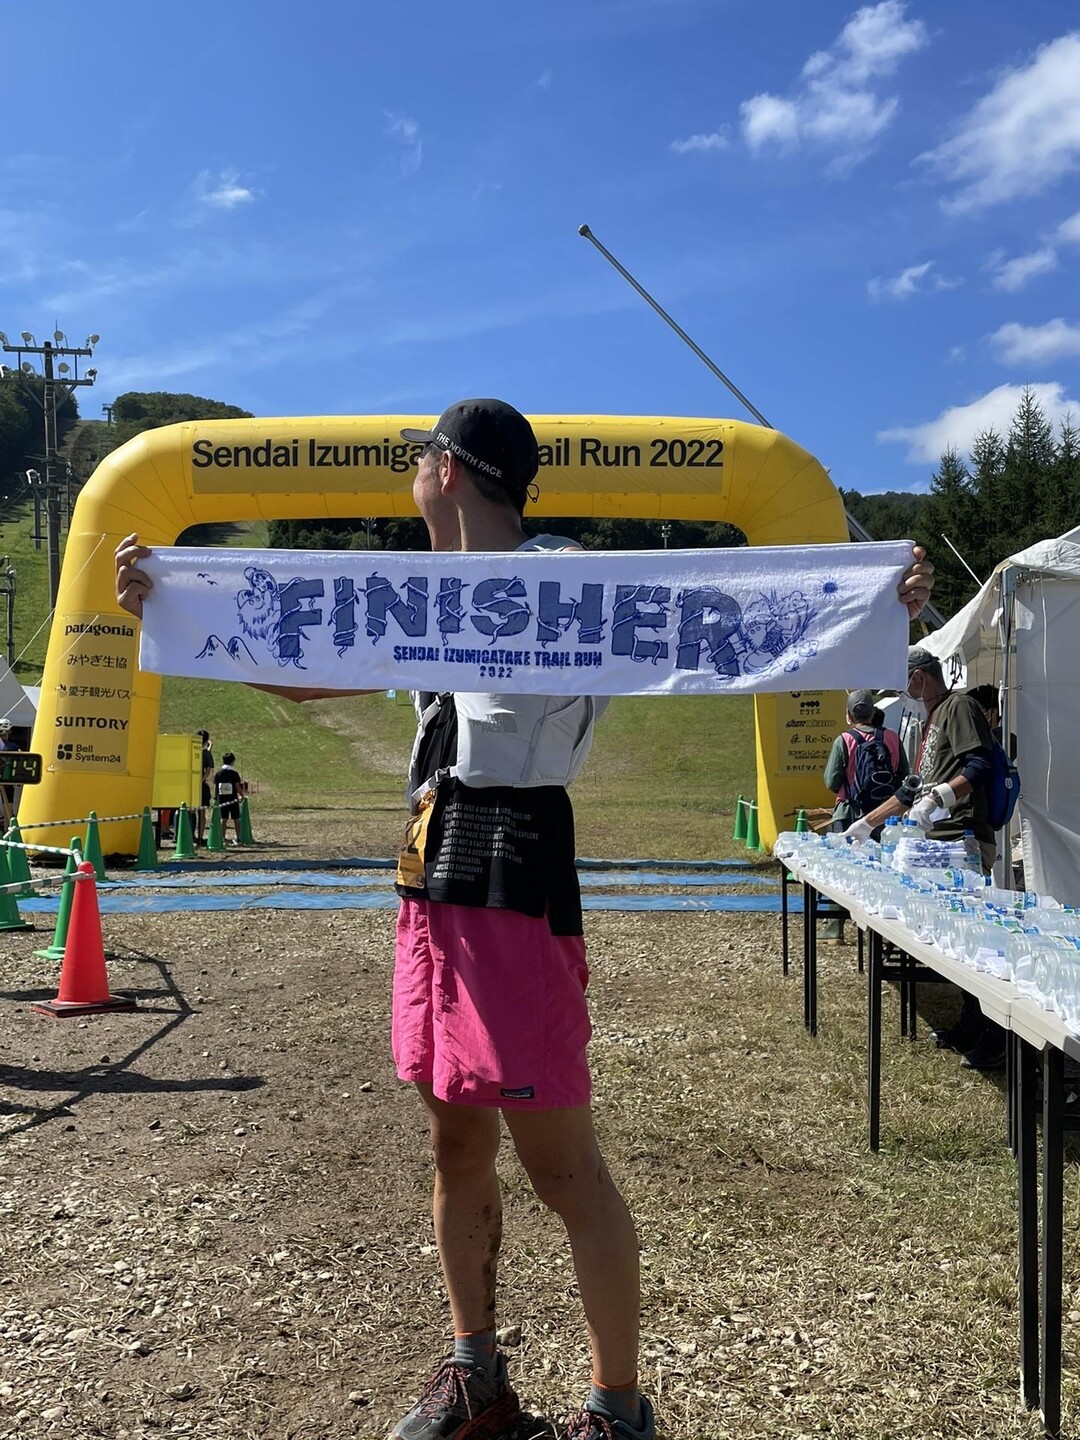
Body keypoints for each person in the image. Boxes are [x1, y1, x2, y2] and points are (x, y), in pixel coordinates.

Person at [116, 400, 935, 1440]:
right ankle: (478, 1379)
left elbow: (738, 622)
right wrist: (171, 611)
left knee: (562, 1164)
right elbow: (312, 673)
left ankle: (618, 1409)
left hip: (513, 859)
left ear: (450, 473)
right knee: (454, 1142)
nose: (410, 478)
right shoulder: (426, 598)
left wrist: (882, 596)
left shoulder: (563, 577)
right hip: (429, 868)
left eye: (420, 461)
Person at [850, 648, 1004, 1070]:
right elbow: (913, 787)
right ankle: (971, 1020)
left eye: (904, 683)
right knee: (955, 940)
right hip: (935, 846)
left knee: (975, 935)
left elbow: (979, 763)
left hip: (962, 841)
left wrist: (943, 796)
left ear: (919, 677)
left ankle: (995, 1034)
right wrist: (867, 822)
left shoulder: (959, 706)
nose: (902, 693)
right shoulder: (930, 718)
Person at [819, 690, 909, 943]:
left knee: (840, 867)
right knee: (883, 869)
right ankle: (883, 931)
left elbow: (831, 781)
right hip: (885, 815)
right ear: (873, 712)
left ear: (848, 715)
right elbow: (904, 775)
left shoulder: (844, 739)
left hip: (849, 812)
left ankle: (834, 929)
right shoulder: (891, 738)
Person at [213, 751, 245, 846]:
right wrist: (242, 795)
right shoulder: (234, 774)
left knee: (223, 819)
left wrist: (216, 797)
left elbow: (216, 787)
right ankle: (238, 838)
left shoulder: (218, 773)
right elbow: (237, 786)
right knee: (236, 819)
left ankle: (222, 838)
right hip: (233, 799)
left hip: (222, 799)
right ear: (232, 762)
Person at [197, 730, 214, 846]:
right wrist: (200, 781)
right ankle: (200, 837)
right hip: (201, 786)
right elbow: (208, 770)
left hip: (187, 784)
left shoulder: (190, 750)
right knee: (201, 813)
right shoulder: (206, 754)